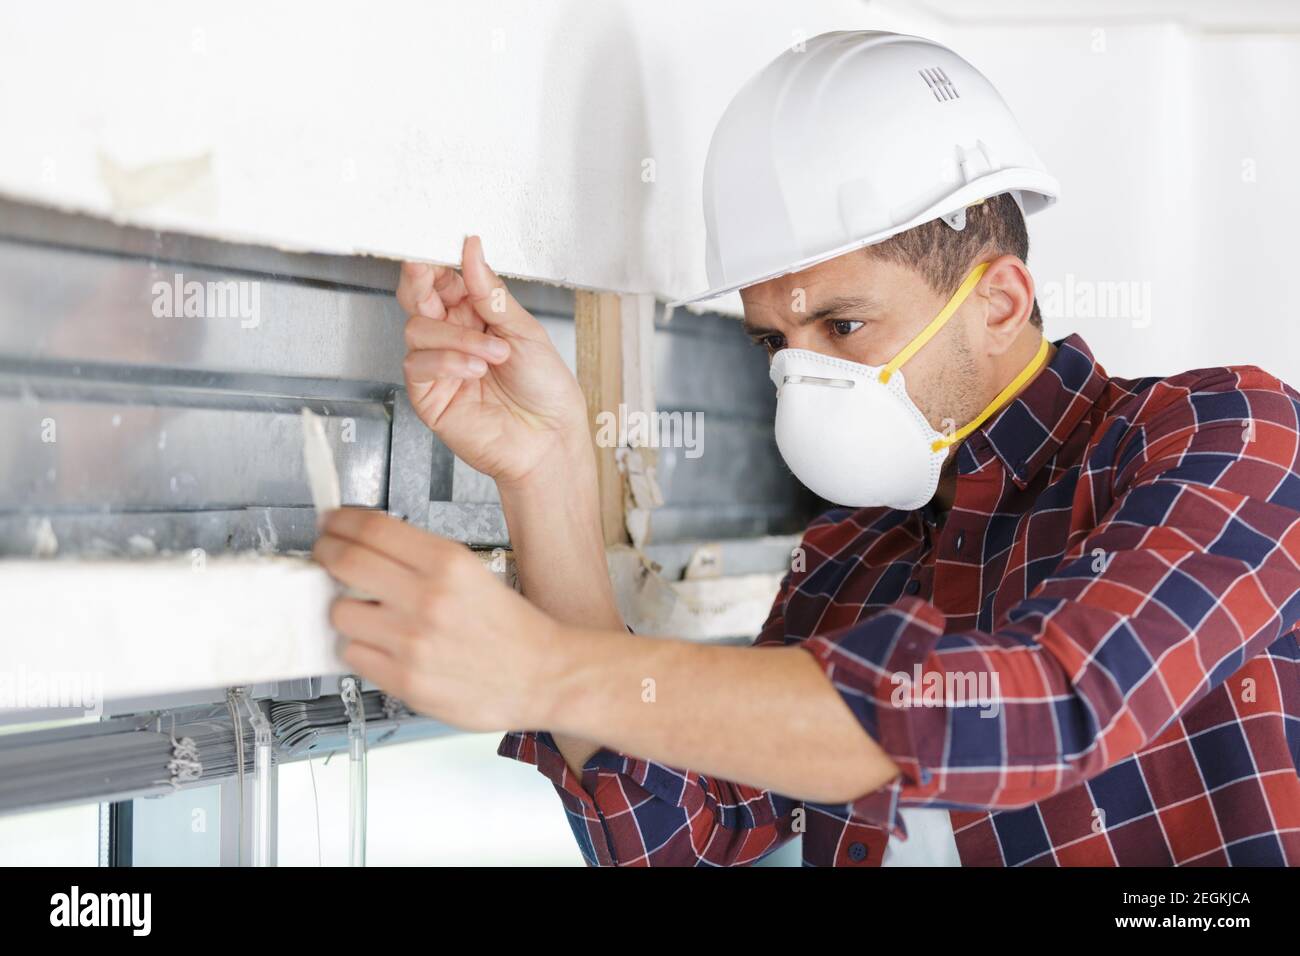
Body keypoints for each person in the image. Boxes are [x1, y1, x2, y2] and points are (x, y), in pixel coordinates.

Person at [312, 31, 1300, 866]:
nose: (800, 376)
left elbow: (1048, 700)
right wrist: (547, 471)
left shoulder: (1222, 435)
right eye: (772, 343)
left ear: (997, 301)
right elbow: (678, 838)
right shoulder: (848, 560)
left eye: (841, 326)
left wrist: (546, 669)